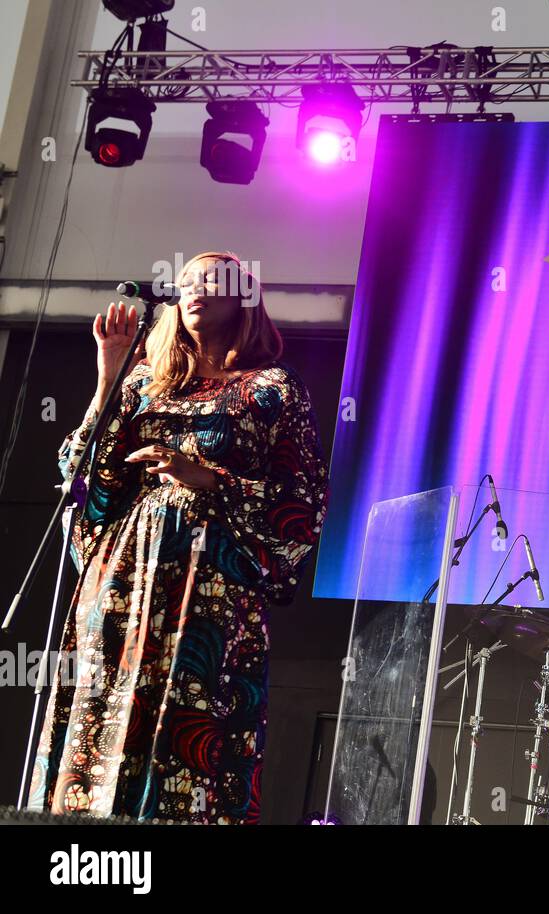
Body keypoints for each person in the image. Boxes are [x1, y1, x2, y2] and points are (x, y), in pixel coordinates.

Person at [25, 251, 330, 824]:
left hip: (210, 581)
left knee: (189, 723)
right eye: (185, 281)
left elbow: (303, 503)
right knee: (106, 714)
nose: (194, 289)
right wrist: (109, 374)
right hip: (126, 575)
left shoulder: (270, 390)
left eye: (212, 281)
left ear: (243, 298)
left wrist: (206, 477)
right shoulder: (145, 380)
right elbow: (82, 473)